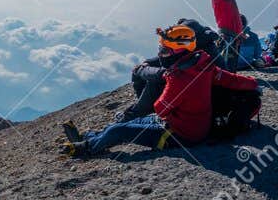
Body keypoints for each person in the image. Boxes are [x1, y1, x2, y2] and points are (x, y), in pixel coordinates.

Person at [60, 24, 258, 157]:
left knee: (119, 130)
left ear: (179, 51)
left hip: (180, 135)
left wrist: (165, 79)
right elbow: (232, 80)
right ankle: (91, 137)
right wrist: (253, 83)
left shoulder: (178, 78)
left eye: (165, 50)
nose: (161, 54)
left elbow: (160, 108)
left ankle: (86, 149)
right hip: (194, 127)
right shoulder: (203, 64)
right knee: (130, 122)